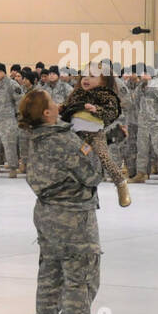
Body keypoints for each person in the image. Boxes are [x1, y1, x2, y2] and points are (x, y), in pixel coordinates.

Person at [19, 90, 104, 314]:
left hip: (46, 214)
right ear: (46, 113)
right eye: (52, 103)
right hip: (74, 218)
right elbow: (92, 174)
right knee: (81, 277)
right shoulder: (65, 140)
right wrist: (93, 146)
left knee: (50, 276)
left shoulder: (34, 139)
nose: (58, 105)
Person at [58, 63, 130, 207]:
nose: (86, 79)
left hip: (95, 135)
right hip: (77, 137)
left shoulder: (107, 96)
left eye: (92, 76)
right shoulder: (76, 94)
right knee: (75, 164)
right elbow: (67, 108)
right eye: (84, 75)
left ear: (104, 80)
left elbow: (112, 111)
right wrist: (59, 108)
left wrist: (96, 109)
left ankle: (121, 184)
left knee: (105, 158)